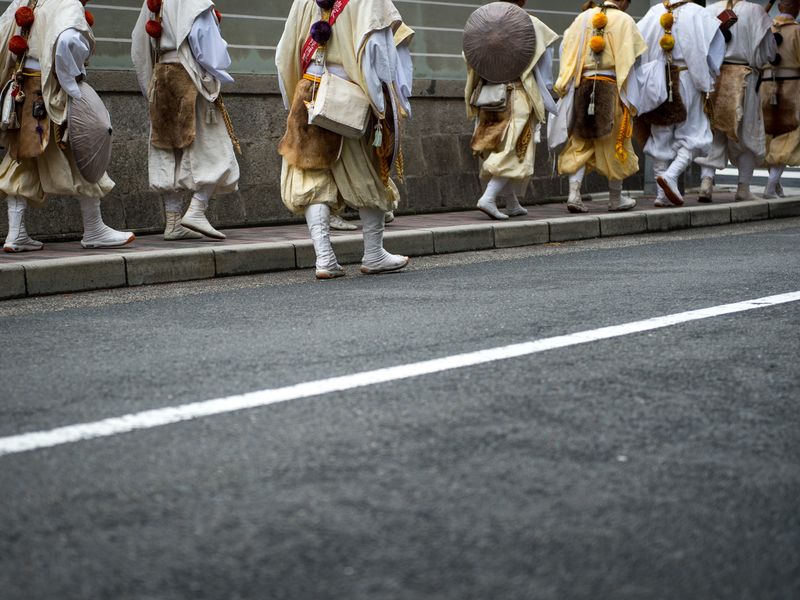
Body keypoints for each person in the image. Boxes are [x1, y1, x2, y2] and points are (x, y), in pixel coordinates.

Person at [276, 0, 413, 279]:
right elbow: (380, 52)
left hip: (309, 91)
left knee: (312, 177)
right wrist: (384, 102)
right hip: (349, 97)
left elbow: (284, 53)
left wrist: (293, 96)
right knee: (366, 174)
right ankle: (374, 253)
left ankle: (324, 258)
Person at [0, 0, 133, 252]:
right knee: (80, 152)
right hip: (53, 91)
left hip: (24, 90)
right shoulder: (67, 3)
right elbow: (66, 44)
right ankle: (94, 229)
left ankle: (15, 235)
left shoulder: (28, 0)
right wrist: (72, 86)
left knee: (21, 158)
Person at [131, 0, 239, 241]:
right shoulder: (195, 2)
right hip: (189, 75)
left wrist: (150, 85)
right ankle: (197, 210)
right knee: (215, 148)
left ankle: (173, 222)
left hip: (162, 76)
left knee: (169, 151)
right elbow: (209, 49)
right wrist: (217, 75)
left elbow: (138, 46)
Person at [466, 0, 559, 220]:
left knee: (494, 145)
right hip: (517, 94)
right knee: (515, 150)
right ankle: (488, 198)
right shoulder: (533, 24)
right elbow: (545, 70)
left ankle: (511, 202)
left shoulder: (481, 24)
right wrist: (544, 94)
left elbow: (471, 59)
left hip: (489, 95)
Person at [553, 0, 647, 213]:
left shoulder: (582, 18)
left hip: (583, 87)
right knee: (616, 143)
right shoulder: (625, 20)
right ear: (623, 1)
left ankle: (574, 194)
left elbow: (565, 47)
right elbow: (637, 57)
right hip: (611, 87)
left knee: (579, 141)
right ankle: (615, 198)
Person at [636, 0, 725, 207]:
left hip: (657, 80)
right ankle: (671, 175)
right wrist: (708, 78)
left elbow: (638, 48)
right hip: (687, 78)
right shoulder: (699, 14)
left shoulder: (653, 13)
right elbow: (714, 54)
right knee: (695, 133)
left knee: (660, 134)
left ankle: (661, 195)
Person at [694, 0, 776, 203]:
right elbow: (769, 52)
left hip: (715, 78)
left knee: (713, 132)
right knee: (747, 133)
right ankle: (743, 187)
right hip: (745, 78)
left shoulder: (709, 11)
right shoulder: (756, 11)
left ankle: (706, 183)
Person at [761, 0, 800, 198]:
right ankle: (771, 184)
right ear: (797, 7)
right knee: (789, 135)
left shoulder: (766, 28)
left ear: (780, 7)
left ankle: (775, 186)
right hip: (792, 88)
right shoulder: (797, 31)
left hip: (766, 86)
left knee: (770, 134)